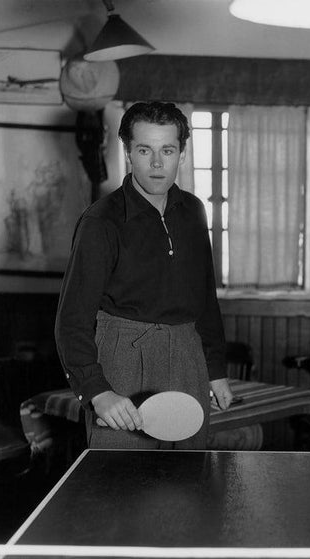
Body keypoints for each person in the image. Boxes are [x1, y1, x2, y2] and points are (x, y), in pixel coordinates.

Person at [55, 101, 233, 450]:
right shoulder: (100, 222)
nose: (156, 163)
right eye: (144, 150)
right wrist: (96, 390)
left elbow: (205, 300)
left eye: (167, 150)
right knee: (121, 490)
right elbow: (71, 320)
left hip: (188, 359)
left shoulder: (194, 211)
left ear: (181, 154)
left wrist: (216, 369)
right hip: (121, 363)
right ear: (128, 152)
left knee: (188, 486)